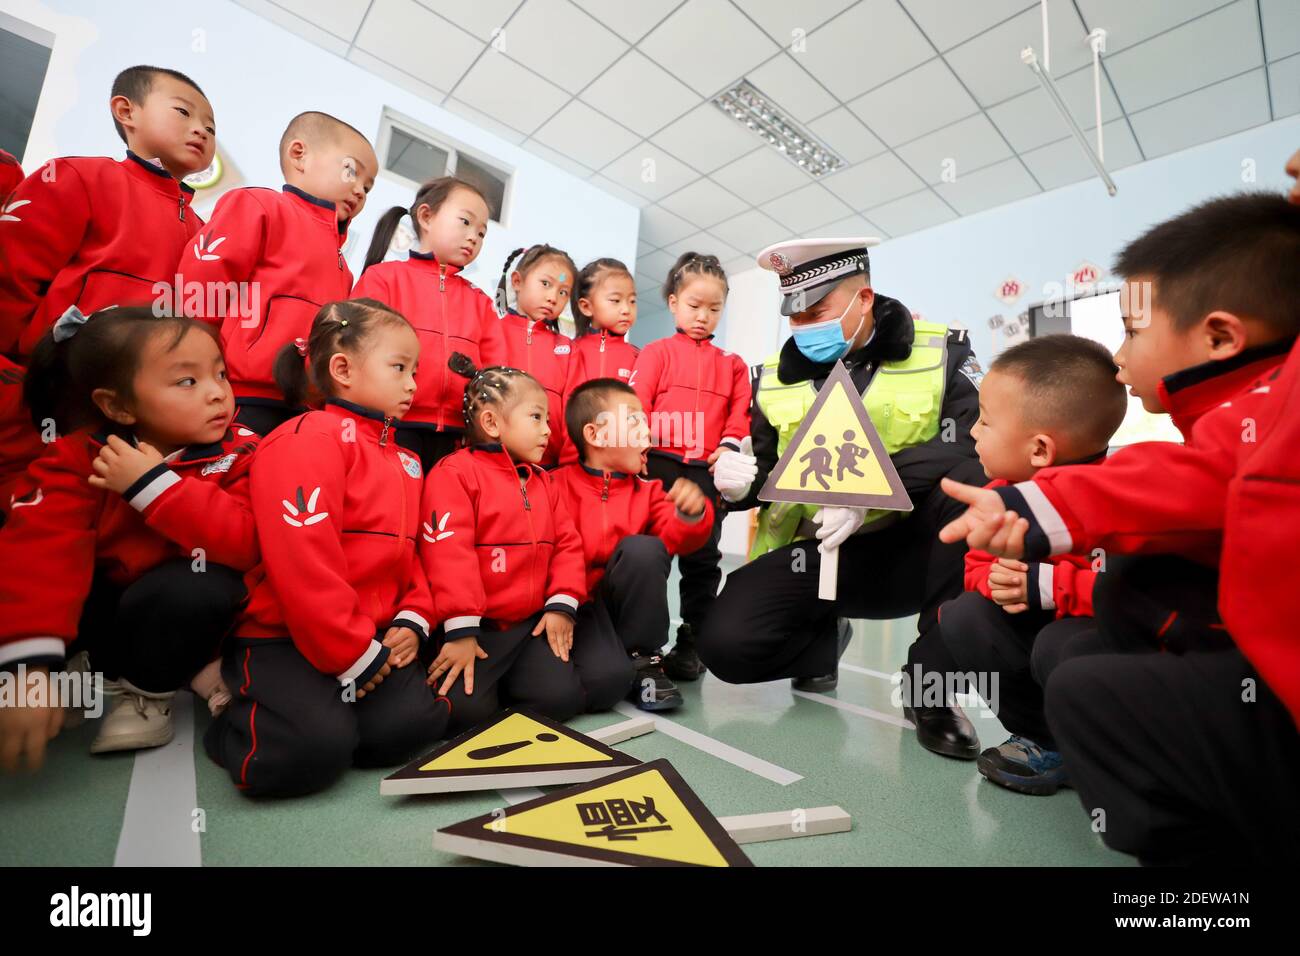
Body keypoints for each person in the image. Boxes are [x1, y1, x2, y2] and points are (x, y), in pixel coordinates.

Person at [938, 189, 1300, 862]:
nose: (1120, 355)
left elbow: (1181, 485)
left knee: (1083, 674)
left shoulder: (1261, 415)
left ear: (1220, 336)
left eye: (1134, 330)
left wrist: (1028, 516)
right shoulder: (1244, 413)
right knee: (1045, 648)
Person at [699, 237, 987, 760]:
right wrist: (737, 488)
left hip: (920, 552)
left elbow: (972, 444)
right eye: (796, 316)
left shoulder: (942, 352)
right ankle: (824, 643)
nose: (806, 327)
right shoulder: (772, 380)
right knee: (725, 645)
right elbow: (766, 469)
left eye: (819, 311)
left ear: (864, 299)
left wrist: (874, 491)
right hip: (825, 554)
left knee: (974, 489)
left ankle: (931, 688)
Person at [204, 299, 449, 797]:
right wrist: (353, 654)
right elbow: (303, 566)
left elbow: (416, 556)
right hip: (286, 637)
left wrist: (412, 617)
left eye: (415, 371)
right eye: (399, 368)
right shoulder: (304, 438)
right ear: (342, 368)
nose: (412, 386)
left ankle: (323, 711)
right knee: (310, 753)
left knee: (409, 727)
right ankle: (231, 716)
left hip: (367, 635)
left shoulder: (407, 459)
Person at [0, 308, 256, 770]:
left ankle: (145, 691)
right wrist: (28, 669)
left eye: (221, 373)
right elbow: (40, 553)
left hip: (182, 617)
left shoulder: (242, 449)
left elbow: (245, 543)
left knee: (202, 584)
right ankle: (87, 668)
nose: (218, 392)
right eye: (187, 382)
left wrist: (153, 486)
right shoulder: (77, 458)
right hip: (103, 616)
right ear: (117, 407)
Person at [0, 65, 215, 498]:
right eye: (183, 112)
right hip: (37, 394)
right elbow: (13, 271)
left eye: (210, 128)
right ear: (125, 111)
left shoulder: (204, 233)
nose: (201, 131)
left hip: (122, 420)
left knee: (58, 526)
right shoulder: (78, 177)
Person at [938, 335, 1126, 795]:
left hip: (1090, 640)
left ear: (1040, 449)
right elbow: (975, 568)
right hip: (1034, 629)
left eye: (985, 421)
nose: (972, 432)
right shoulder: (1002, 493)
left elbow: (1129, 597)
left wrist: (1051, 584)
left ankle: (1106, 749)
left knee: (1060, 645)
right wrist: (996, 580)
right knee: (964, 615)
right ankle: (1043, 741)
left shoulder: (1120, 498)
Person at [175, 111, 376, 436]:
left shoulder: (343, 266)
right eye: (352, 171)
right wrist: (198, 370)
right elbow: (204, 281)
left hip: (302, 407)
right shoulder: (258, 205)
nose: (360, 190)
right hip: (236, 392)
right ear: (300, 155)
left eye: (368, 187)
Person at [420, 354, 591, 734]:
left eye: (548, 419)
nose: (548, 430)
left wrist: (562, 603)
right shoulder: (455, 474)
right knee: (461, 715)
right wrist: (461, 630)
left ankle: (515, 682)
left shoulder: (544, 481)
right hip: (479, 630)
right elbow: (449, 555)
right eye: (536, 417)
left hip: (529, 626)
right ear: (492, 423)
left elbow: (568, 545)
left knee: (561, 701)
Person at [554, 378, 714, 711]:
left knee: (645, 549)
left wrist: (690, 514)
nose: (647, 432)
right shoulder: (553, 486)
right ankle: (612, 662)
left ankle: (645, 663)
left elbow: (676, 540)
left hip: (626, 614)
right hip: (572, 612)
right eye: (633, 421)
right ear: (595, 435)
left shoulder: (651, 492)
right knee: (595, 684)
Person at [630, 252, 750, 680]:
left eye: (714, 309)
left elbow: (739, 417)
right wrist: (638, 444)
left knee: (702, 563)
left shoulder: (733, 366)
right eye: (694, 306)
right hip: (658, 468)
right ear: (674, 303)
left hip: (705, 474)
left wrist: (730, 448)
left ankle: (691, 643)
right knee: (652, 556)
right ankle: (645, 645)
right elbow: (638, 402)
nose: (703, 316)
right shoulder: (656, 352)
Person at [352, 176, 506, 471]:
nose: (474, 236)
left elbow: (494, 374)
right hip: (390, 427)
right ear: (426, 216)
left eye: (482, 232)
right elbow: (359, 350)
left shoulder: (481, 301)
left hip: (457, 439)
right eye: (465, 222)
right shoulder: (385, 278)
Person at [495, 244, 578, 467]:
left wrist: (567, 464)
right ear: (517, 282)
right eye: (545, 284)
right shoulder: (492, 330)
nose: (553, 297)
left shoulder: (569, 350)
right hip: (492, 456)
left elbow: (574, 410)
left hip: (546, 465)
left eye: (563, 292)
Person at [557, 258, 640, 464]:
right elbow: (561, 407)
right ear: (586, 306)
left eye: (632, 301)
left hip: (619, 463)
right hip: (571, 462)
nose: (626, 309)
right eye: (615, 300)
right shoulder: (568, 350)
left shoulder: (639, 357)